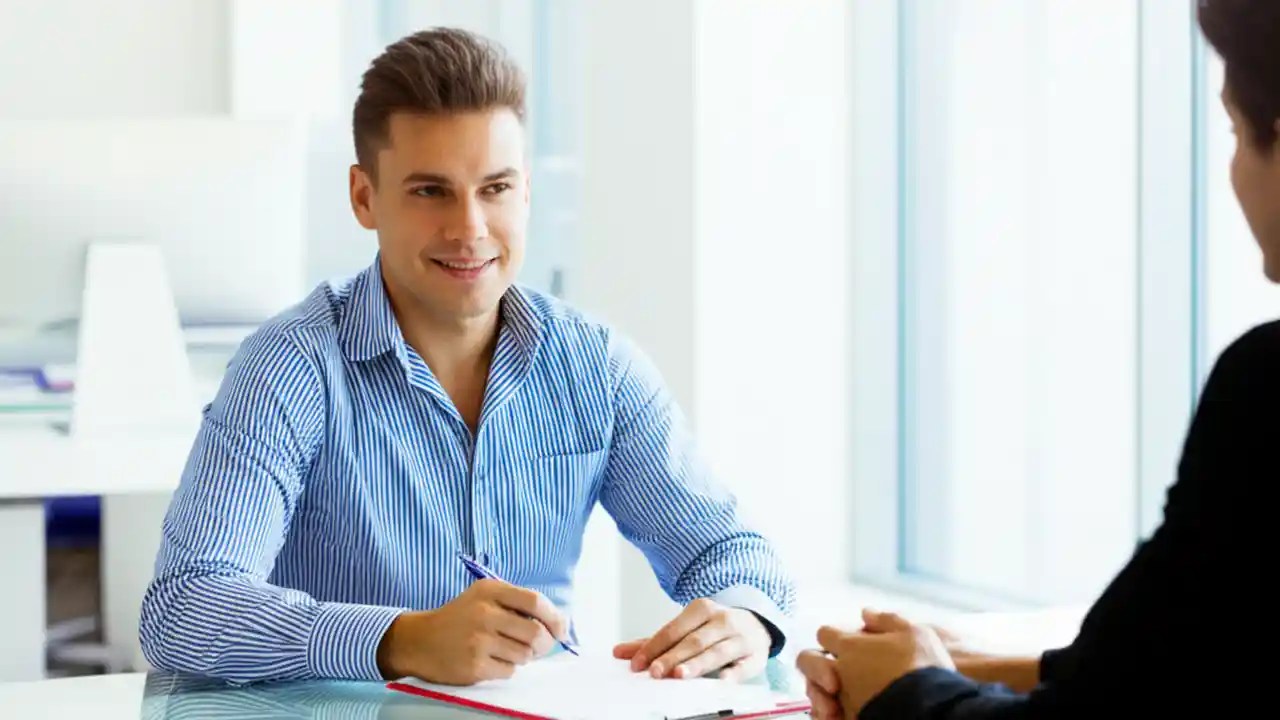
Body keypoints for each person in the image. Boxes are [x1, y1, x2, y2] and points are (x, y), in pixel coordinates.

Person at [138, 27, 794, 687]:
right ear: (365, 197)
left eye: (496, 188)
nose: (470, 228)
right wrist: (401, 641)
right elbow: (185, 607)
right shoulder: (289, 368)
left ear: (527, 191)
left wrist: (745, 621)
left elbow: (731, 554)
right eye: (431, 191)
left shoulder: (596, 366)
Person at [796, 1, 1279, 717]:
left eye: (1238, 132)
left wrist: (908, 692)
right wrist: (976, 666)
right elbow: (1186, 655)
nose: (1234, 171)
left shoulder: (1265, 386)